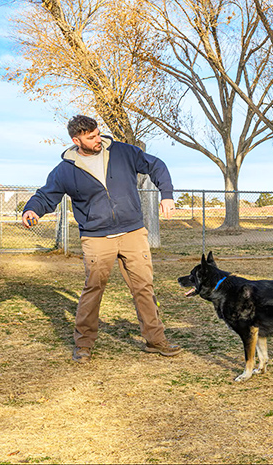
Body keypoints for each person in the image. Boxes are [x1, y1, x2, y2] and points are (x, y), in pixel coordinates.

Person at [22, 115, 181, 364]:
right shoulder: (66, 169)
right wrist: (32, 209)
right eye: (91, 137)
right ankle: (84, 344)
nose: (98, 139)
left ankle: (155, 340)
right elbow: (45, 196)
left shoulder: (123, 152)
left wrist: (167, 194)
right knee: (93, 290)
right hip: (96, 238)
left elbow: (157, 165)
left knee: (143, 287)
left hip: (132, 233)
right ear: (77, 140)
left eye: (98, 133)